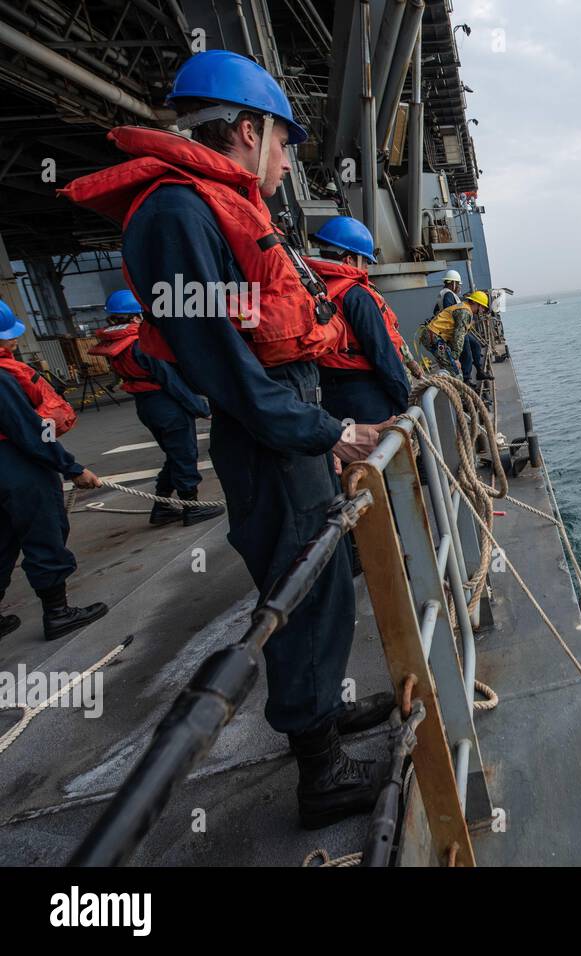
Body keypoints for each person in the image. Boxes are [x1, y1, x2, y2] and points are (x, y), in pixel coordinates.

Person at [61, 50, 392, 829]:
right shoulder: (178, 213)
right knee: (300, 584)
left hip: (286, 423)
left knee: (319, 584)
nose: (285, 160)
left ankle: (321, 716)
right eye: (282, 142)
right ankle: (321, 772)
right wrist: (328, 430)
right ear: (247, 130)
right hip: (271, 434)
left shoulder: (209, 205)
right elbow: (225, 368)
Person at [0, 299, 108, 642]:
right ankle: (58, 614)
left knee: (2, 541)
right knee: (43, 534)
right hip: (18, 467)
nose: (14, 341)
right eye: (6, 336)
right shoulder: (3, 379)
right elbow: (31, 433)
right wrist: (70, 467)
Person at [89, 290, 224, 527]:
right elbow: (170, 380)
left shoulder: (117, 345)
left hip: (146, 406)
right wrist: (201, 408)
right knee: (184, 456)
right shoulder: (142, 344)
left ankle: (161, 506)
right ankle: (191, 507)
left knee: (174, 457)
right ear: (136, 316)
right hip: (167, 406)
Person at [309, 217, 413, 424]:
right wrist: (406, 400)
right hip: (366, 397)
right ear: (349, 260)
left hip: (328, 396)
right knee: (381, 452)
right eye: (364, 261)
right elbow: (382, 353)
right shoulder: (356, 295)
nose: (366, 269)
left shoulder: (312, 290)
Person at [421, 290, 491, 381]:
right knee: (455, 371)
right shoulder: (465, 312)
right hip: (433, 337)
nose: (483, 310)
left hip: (433, 335)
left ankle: (453, 388)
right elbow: (459, 336)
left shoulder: (464, 307)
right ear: (475, 303)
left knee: (448, 366)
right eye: (483, 307)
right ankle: (461, 393)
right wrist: (455, 358)